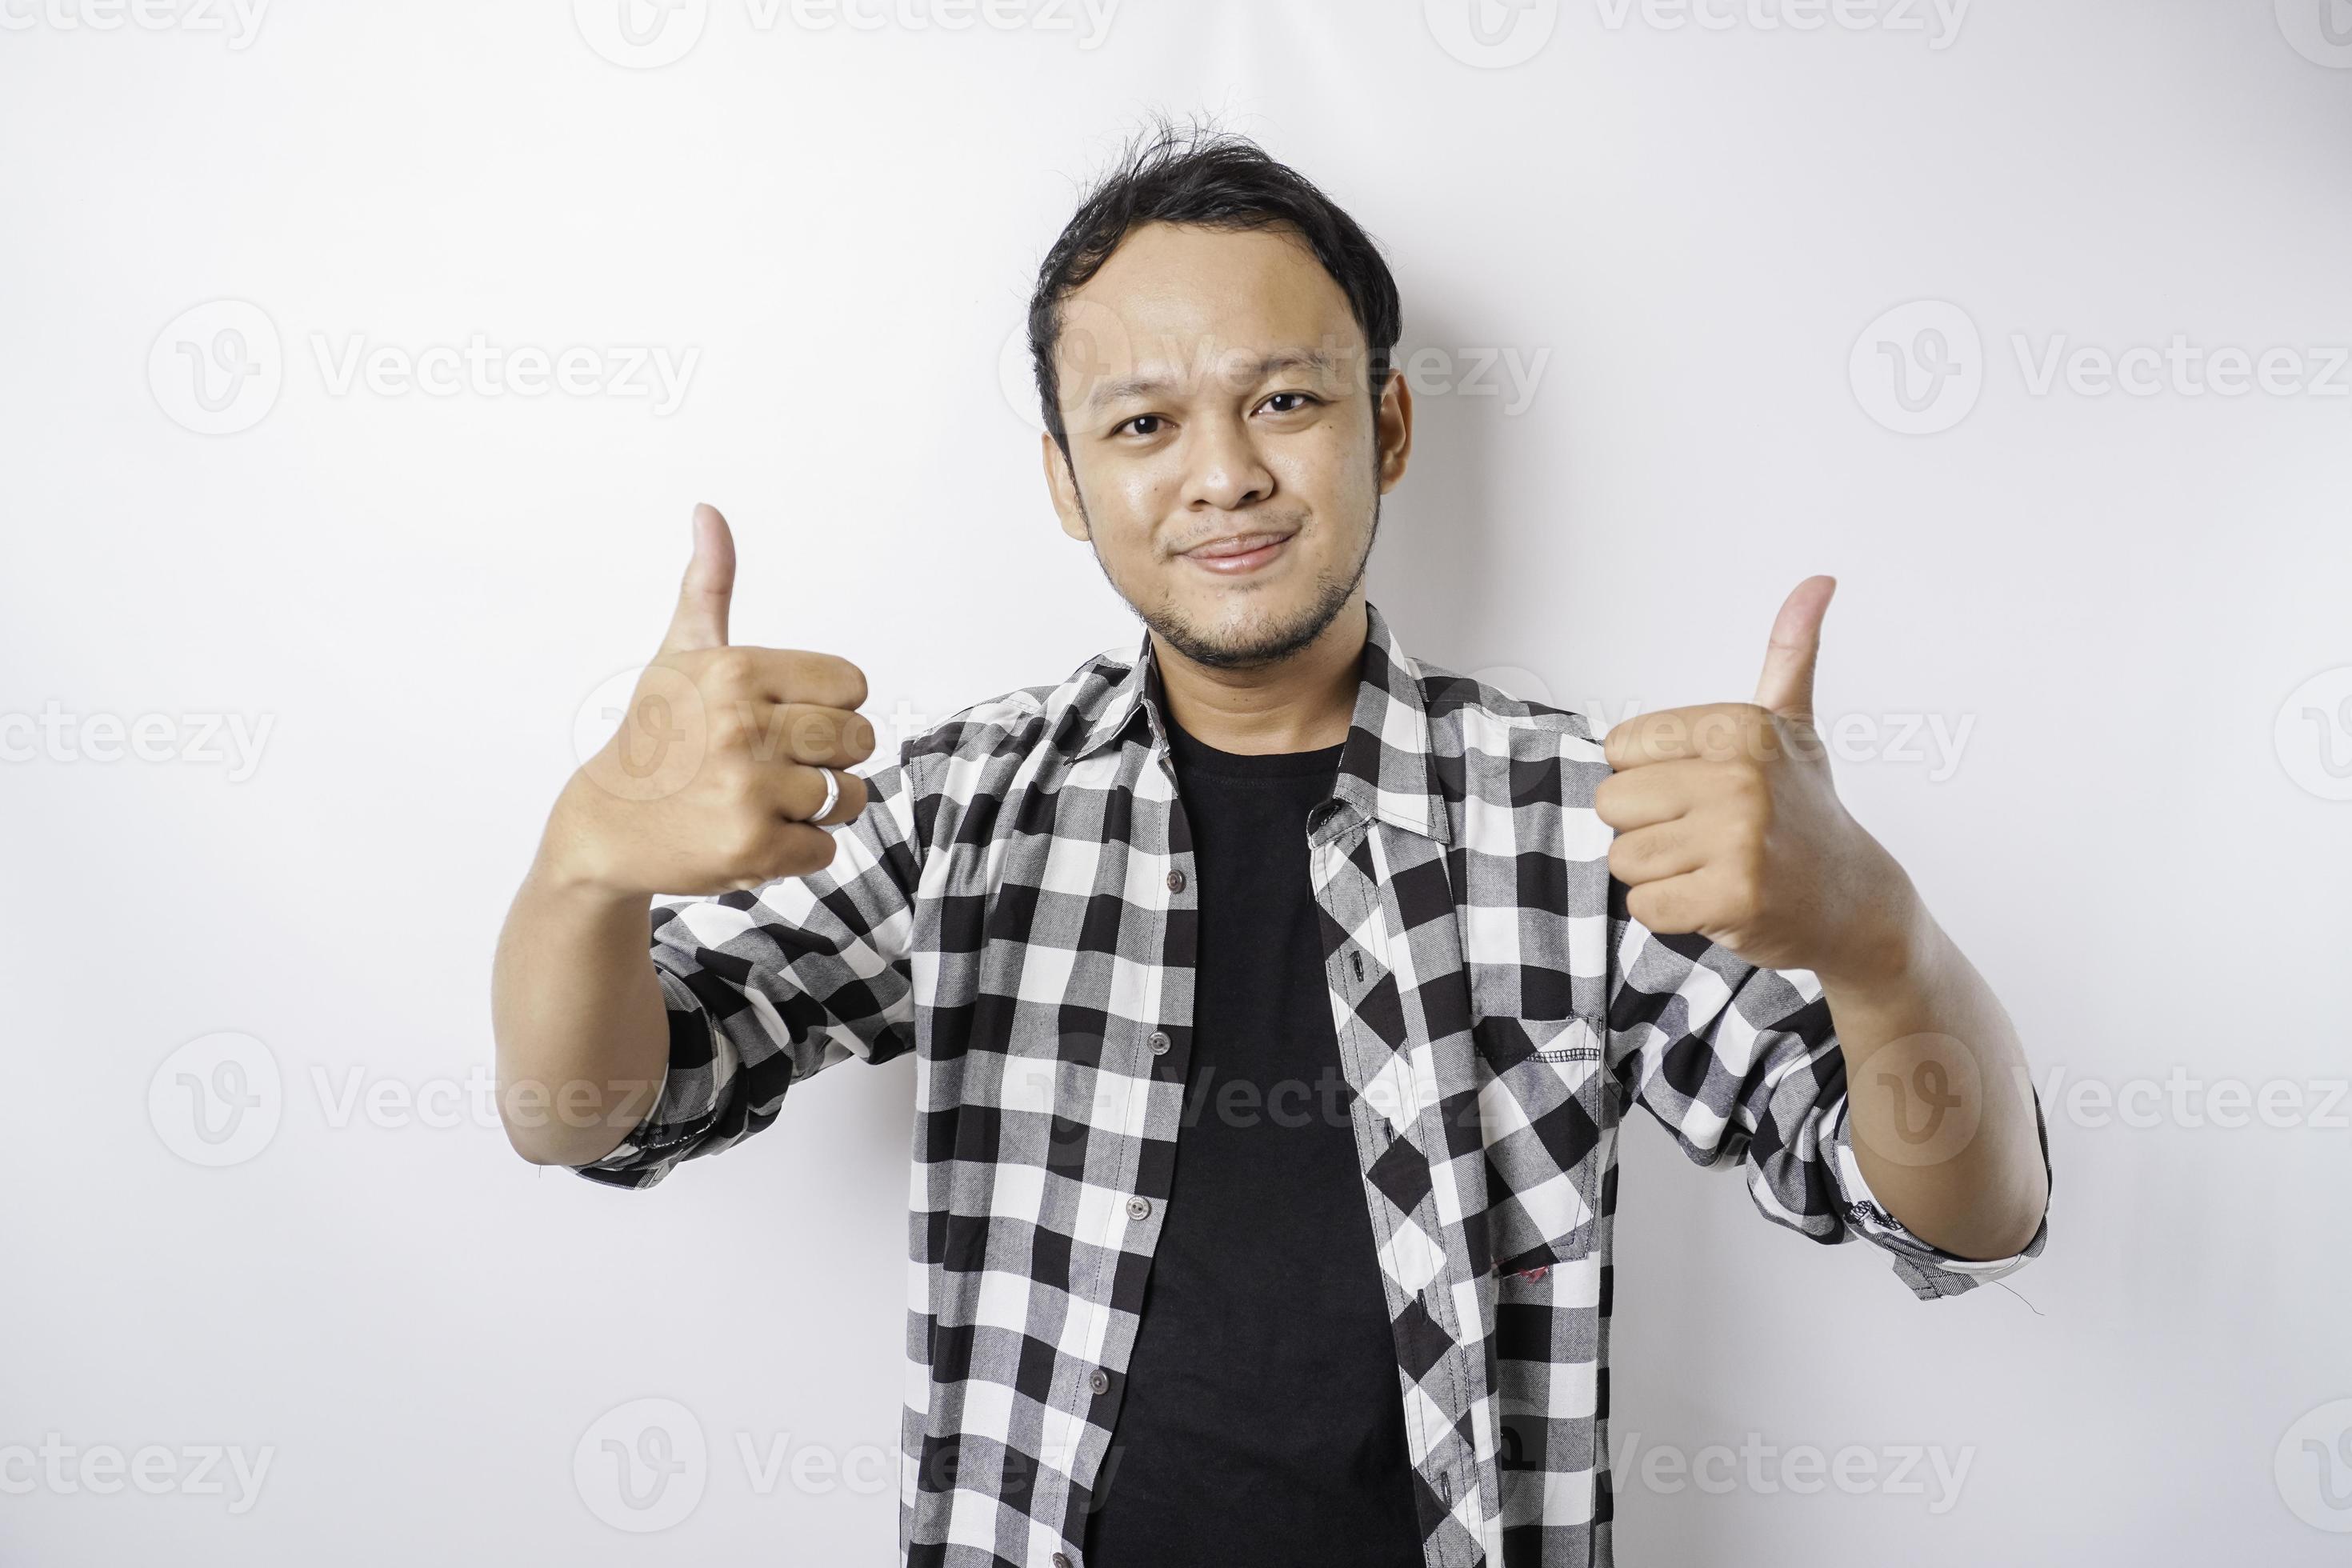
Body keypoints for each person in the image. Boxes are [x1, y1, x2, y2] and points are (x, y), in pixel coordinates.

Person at [490, 122, 2052, 1568]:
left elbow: (1962, 1213)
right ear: (1066, 478)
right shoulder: (963, 807)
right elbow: (598, 1109)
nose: (1224, 470)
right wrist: (585, 875)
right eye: (1145, 419)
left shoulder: (1591, 818)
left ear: (1386, 424)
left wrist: (1880, 937)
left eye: (1284, 398)